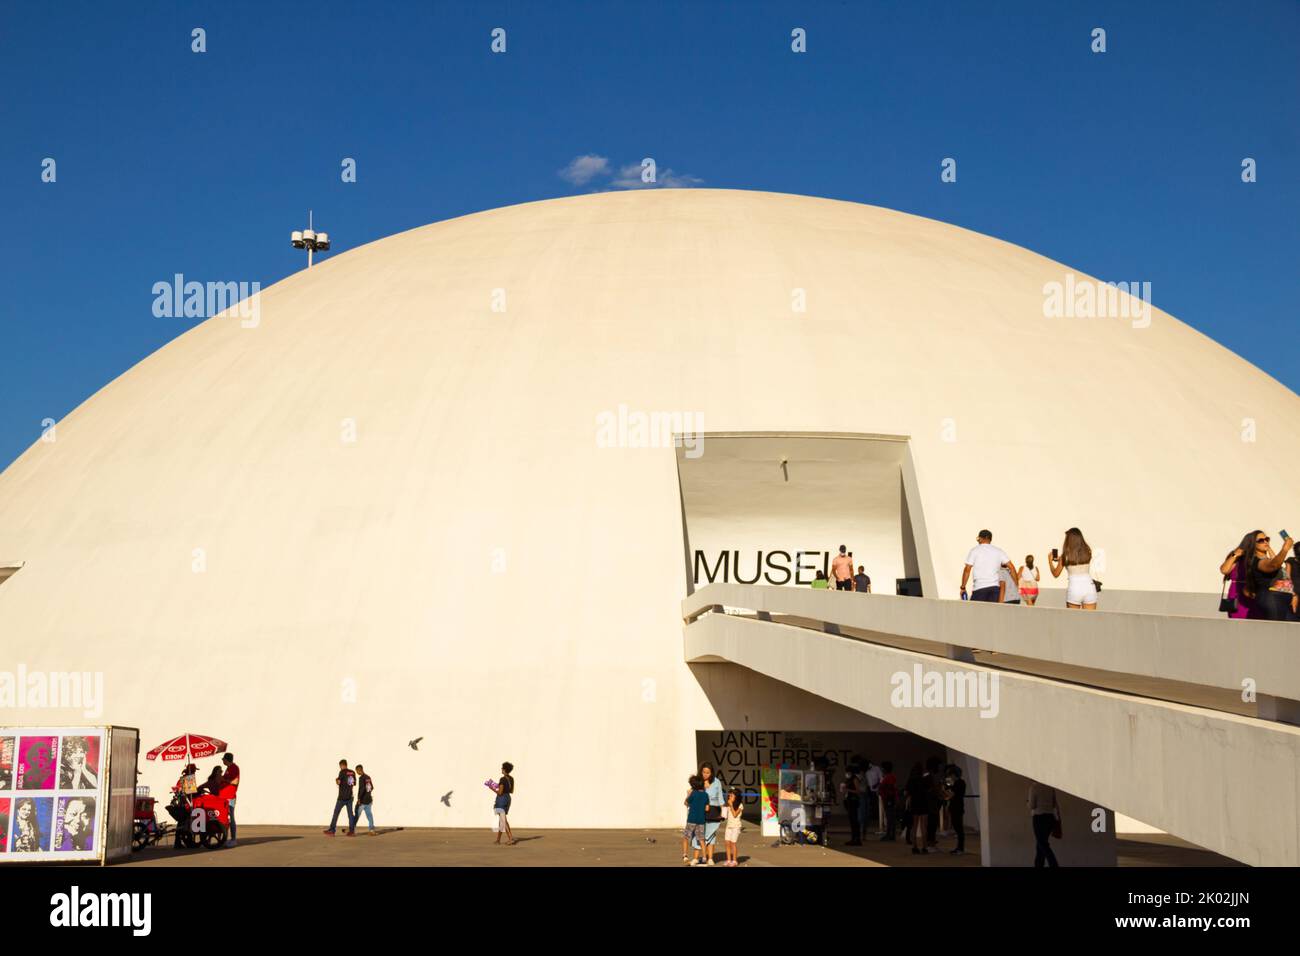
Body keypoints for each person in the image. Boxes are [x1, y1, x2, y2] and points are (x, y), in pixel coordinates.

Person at [1238, 529, 1296, 622]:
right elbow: (1273, 565)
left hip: (1281, 599)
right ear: (1253, 544)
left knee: (1292, 630)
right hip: (1271, 599)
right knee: (1276, 631)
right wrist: (1285, 549)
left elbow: (1277, 564)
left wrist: (1293, 595)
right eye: (1261, 540)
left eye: (1267, 539)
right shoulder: (1256, 561)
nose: (1265, 541)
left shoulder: (1265, 558)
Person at [1048, 527, 1098, 609]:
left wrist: (1050, 561)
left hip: (1074, 589)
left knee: (1073, 620)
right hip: (1089, 588)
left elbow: (1055, 574)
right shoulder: (1088, 552)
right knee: (1090, 620)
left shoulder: (1065, 556)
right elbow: (1078, 559)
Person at [960, 530, 1017, 602]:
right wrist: (1016, 585)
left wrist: (963, 587)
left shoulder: (974, 550)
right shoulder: (999, 551)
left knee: (975, 612)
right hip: (995, 588)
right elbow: (1012, 567)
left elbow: (967, 570)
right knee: (992, 612)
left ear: (981, 538)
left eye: (978, 539)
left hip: (979, 588)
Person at [695, 762, 725, 864]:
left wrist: (724, 811)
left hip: (714, 811)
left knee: (712, 835)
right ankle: (697, 858)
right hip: (700, 811)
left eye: (708, 773)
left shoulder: (717, 782)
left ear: (712, 773)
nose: (705, 774)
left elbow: (720, 798)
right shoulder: (698, 782)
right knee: (699, 835)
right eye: (704, 772)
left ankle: (710, 858)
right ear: (701, 772)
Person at [1220, 537, 1256, 619]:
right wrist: (1234, 555)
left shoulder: (1257, 557)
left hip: (1253, 592)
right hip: (1237, 593)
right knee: (1238, 618)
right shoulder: (1237, 556)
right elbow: (1224, 570)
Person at [1029, 780, 1060, 867]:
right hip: (1050, 818)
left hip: (1039, 818)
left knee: (1042, 843)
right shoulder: (1050, 787)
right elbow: (1054, 803)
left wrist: (1027, 802)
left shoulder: (1034, 787)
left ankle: (1053, 864)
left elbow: (1032, 806)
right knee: (1040, 845)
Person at [324, 759, 357, 837]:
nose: (340, 768)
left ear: (342, 765)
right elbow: (353, 783)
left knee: (336, 813)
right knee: (350, 814)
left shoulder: (342, 772)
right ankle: (352, 831)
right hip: (350, 797)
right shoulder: (352, 772)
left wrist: (336, 780)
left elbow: (339, 782)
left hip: (342, 797)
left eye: (340, 766)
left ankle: (332, 830)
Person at [682, 775, 708, 866]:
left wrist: (688, 794)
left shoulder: (693, 793)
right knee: (701, 839)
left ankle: (685, 855)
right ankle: (704, 858)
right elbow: (707, 808)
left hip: (691, 819)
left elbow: (686, 803)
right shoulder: (705, 795)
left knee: (686, 837)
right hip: (701, 820)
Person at [904, 763, 929, 854]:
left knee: (914, 826)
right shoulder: (925, 780)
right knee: (924, 827)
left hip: (914, 804)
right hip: (924, 804)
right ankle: (924, 847)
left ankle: (914, 847)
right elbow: (928, 791)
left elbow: (906, 793)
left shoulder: (911, 780)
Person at [219, 752, 240, 846]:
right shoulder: (228, 768)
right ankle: (225, 839)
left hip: (230, 796)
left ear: (227, 760)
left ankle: (233, 839)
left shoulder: (234, 767)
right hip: (224, 796)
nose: (223, 760)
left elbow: (235, 781)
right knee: (224, 818)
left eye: (223, 759)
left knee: (231, 817)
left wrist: (224, 780)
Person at [493, 762, 515, 845]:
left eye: (502, 768)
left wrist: (492, 787)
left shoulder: (502, 779)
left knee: (503, 820)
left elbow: (500, 792)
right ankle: (498, 839)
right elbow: (511, 791)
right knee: (502, 819)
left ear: (505, 769)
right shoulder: (511, 779)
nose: (501, 769)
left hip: (501, 799)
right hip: (508, 798)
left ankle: (511, 838)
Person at [946, 766, 967, 855]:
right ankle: (959, 847)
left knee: (959, 828)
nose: (950, 777)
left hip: (957, 807)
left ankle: (960, 848)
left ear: (954, 775)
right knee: (957, 828)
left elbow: (950, 794)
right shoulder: (957, 783)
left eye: (951, 775)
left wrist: (948, 784)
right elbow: (949, 791)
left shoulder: (960, 783)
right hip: (955, 807)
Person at [722, 787, 744, 866]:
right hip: (729, 826)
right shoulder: (728, 805)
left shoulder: (740, 805)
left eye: (731, 796)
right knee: (727, 843)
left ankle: (734, 861)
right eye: (729, 796)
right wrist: (723, 809)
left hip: (736, 826)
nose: (729, 797)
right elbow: (724, 816)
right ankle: (728, 860)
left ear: (736, 797)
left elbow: (735, 815)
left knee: (733, 843)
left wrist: (731, 805)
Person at [877, 761, 898, 842]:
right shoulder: (888, 776)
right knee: (889, 817)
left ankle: (890, 835)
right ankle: (890, 834)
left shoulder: (889, 777)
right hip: (888, 799)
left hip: (889, 799)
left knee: (890, 818)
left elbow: (890, 788)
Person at [842, 765, 862, 846]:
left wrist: (848, 790)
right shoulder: (848, 779)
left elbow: (858, 791)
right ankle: (853, 838)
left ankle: (856, 839)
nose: (846, 773)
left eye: (848, 772)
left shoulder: (855, 779)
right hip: (849, 800)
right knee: (852, 820)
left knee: (854, 820)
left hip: (853, 801)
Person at [355, 764, 376, 835]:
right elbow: (371, 787)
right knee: (369, 815)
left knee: (357, 815)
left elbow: (362, 789)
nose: (357, 772)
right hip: (369, 800)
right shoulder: (368, 777)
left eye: (357, 771)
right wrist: (368, 794)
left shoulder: (361, 778)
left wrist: (359, 799)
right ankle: (372, 830)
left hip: (363, 801)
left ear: (359, 770)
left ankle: (352, 829)